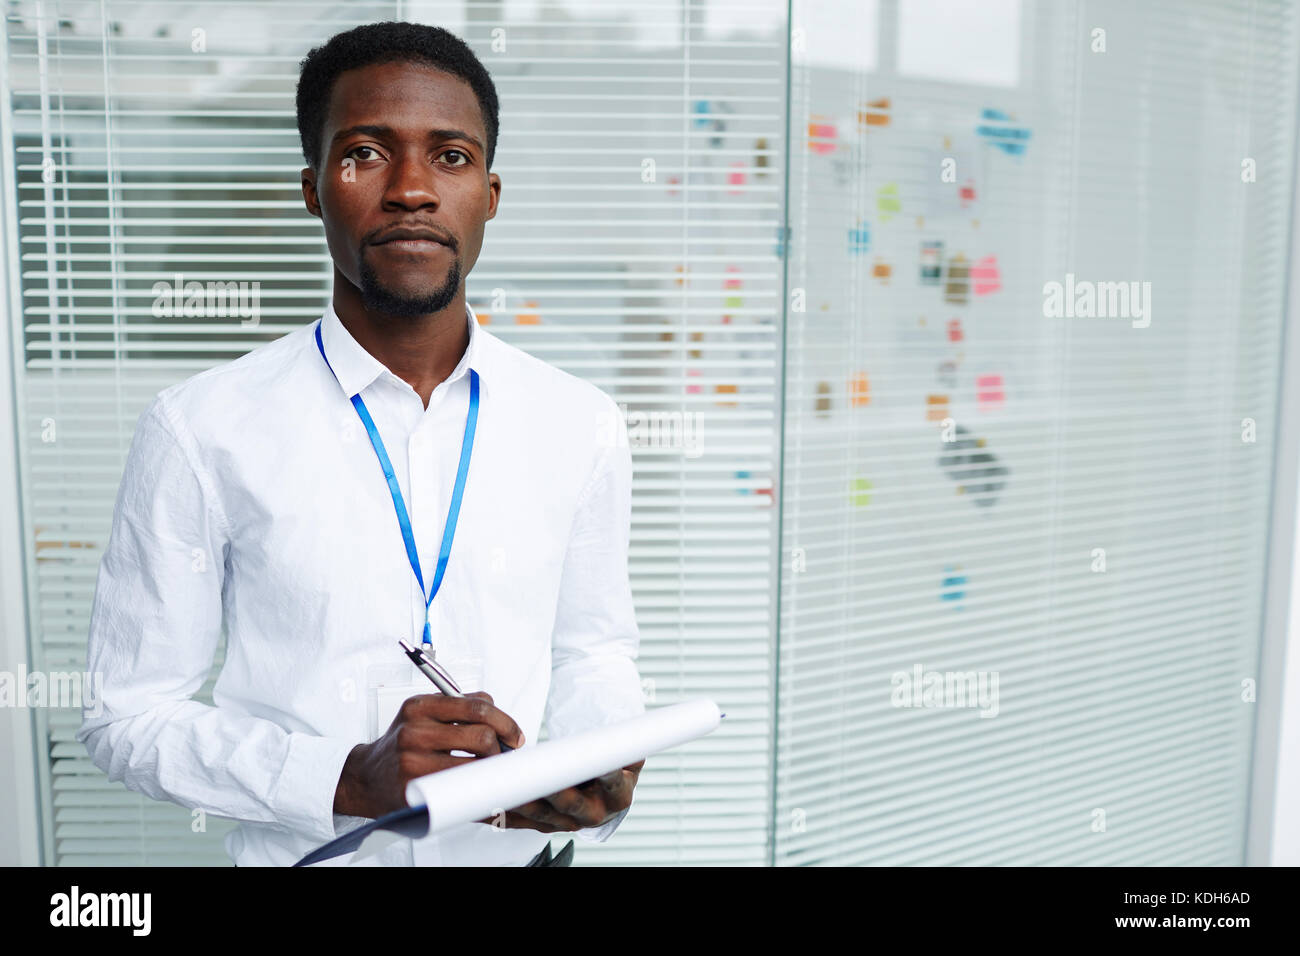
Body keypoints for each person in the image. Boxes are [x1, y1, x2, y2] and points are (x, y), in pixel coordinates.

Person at [76, 21, 645, 867]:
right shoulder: (201, 427)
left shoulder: (579, 420)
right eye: (367, 153)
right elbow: (126, 717)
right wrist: (341, 777)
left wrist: (598, 761)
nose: (411, 189)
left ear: (489, 192)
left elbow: (593, 650)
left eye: (450, 156)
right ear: (314, 186)